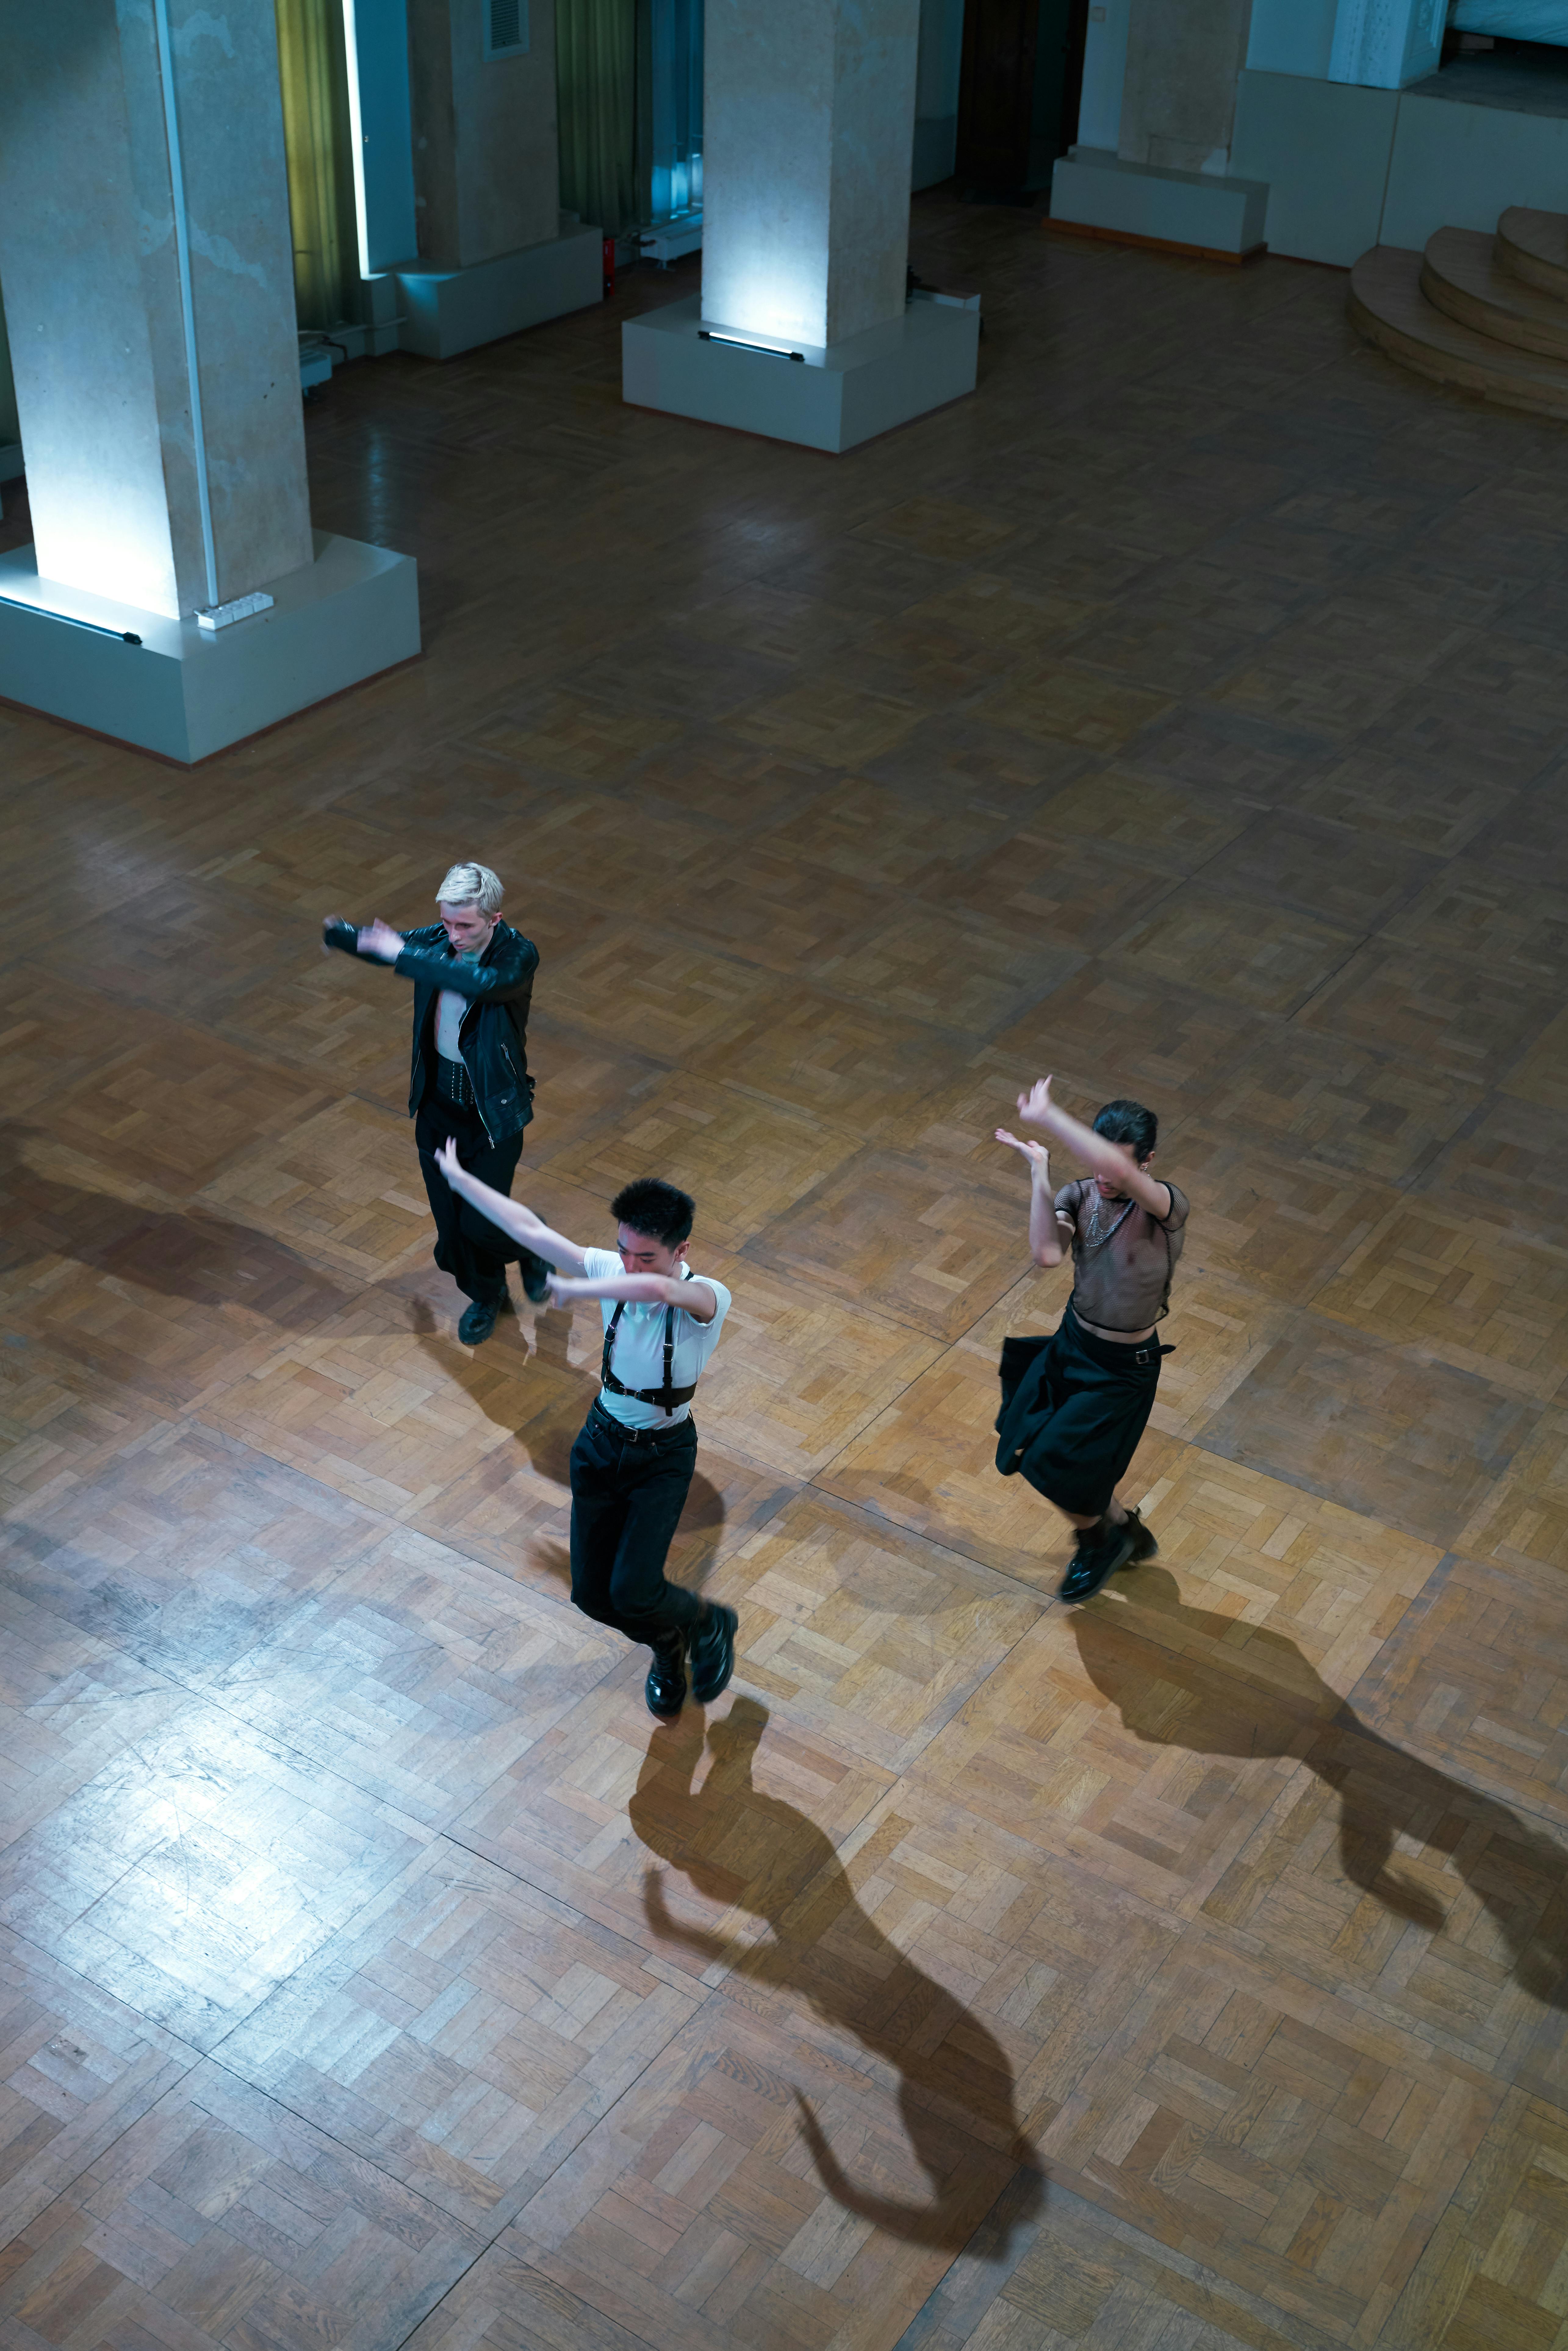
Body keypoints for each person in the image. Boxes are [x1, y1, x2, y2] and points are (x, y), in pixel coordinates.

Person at [431, 1148, 739, 1719]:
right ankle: (667, 1646)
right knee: (595, 1597)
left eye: (645, 1256)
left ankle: (705, 1621)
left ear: (681, 1252)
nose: (628, 1265)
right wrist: (462, 1181)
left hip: (663, 1458)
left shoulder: (708, 1297)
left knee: (635, 1590)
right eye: (622, 1250)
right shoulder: (615, 1268)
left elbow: (661, 1293)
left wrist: (580, 1293)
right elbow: (527, 1228)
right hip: (600, 1445)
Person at [321, 862, 550, 1345]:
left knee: (481, 1225)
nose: (454, 935)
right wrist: (344, 936)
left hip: (493, 1115)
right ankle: (488, 1294)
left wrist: (401, 953)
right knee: (452, 1237)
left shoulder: (517, 955)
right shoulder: (438, 942)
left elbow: (481, 984)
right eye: (447, 923)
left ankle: (533, 1244)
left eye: (465, 925)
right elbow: (392, 947)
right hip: (439, 1109)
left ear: (494, 918)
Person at [993, 1078, 1189, 1603]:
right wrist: (1039, 1172)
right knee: (1024, 1442)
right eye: (1097, 1165)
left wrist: (1049, 1114)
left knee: (1054, 1463)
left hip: (1122, 1369)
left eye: (1116, 1166)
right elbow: (1047, 1254)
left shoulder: (1164, 1207)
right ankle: (1121, 1526)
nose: (1103, 1176)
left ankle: (1098, 1540)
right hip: (1072, 1346)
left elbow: (1121, 1172)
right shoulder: (1079, 1195)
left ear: (1148, 1161)